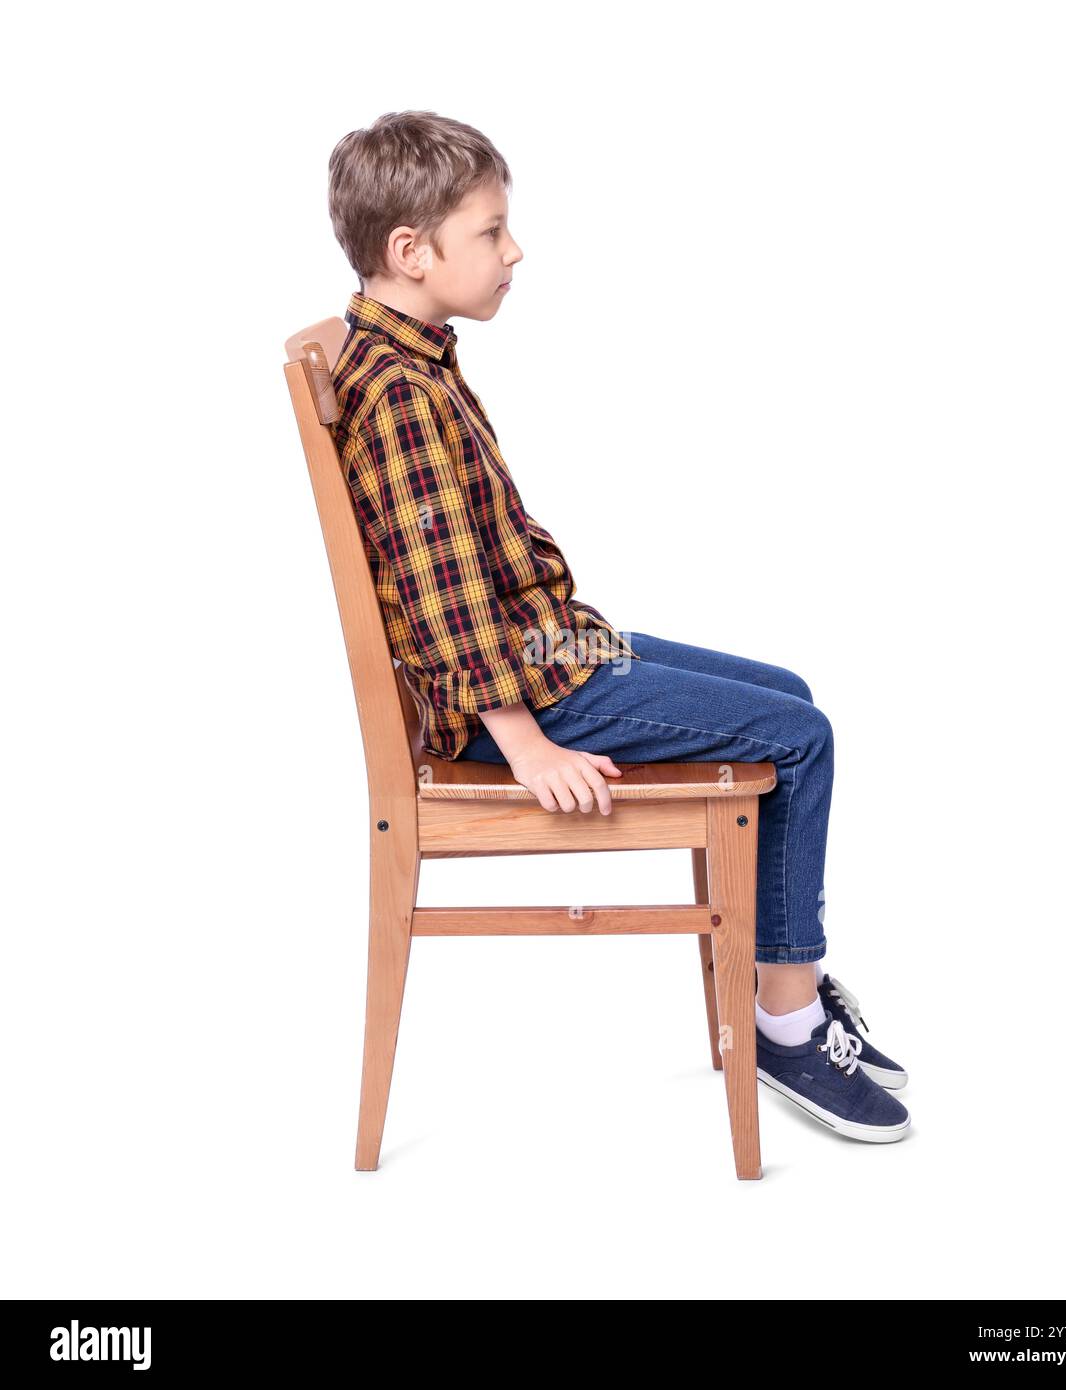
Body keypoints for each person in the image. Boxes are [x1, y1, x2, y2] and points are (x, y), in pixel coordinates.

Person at [326, 110, 911, 1143]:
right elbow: (444, 594)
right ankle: (783, 1019)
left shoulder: (406, 354)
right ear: (409, 252)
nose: (514, 252)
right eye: (492, 231)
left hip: (546, 645)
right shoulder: (402, 396)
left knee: (787, 693)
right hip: (522, 687)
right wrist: (523, 745)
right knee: (801, 739)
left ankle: (786, 972)